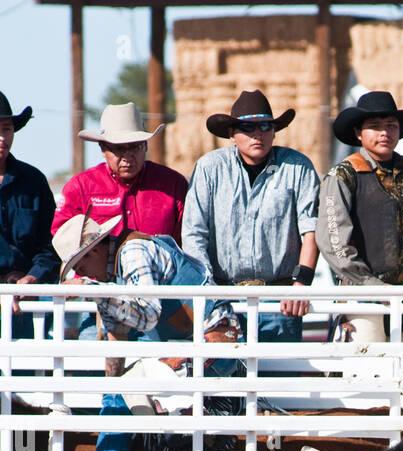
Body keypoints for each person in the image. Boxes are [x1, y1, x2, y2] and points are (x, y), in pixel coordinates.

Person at [51, 212, 239, 451]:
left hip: (213, 349)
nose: (86, 274)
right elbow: (118, 338)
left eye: (82, 266)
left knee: (123, 396)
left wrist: (97, 292)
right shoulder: (112, 277)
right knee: (117, 395)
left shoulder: (133, 253)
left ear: (95, 250)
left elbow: (148, 314)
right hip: (189, 350)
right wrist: (112, 391)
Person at [316, 90, 403, 342]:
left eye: (391, 126)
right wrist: (372, 286)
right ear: (359, 133)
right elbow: (333, 242)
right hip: (363, 297)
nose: (385, 133)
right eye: (375, 126)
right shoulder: (342, 176)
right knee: (366, 369)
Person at [182, 90, 319, 347]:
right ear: (232, 134)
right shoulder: (210, 168)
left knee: (279, 380)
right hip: (222, 296)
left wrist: (301, 283)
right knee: (222, 382)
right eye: (247, 127)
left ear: (274, 131)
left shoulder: (298, 167)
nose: (257, 134)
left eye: (265, 126)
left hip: (280, 298)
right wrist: (207, 292)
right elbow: (193, 234)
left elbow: (311, 230)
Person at [52, 102, 188, 343]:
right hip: (104, 299)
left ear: (145, 145)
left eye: (134, 147)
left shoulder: (173, 185)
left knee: (162, 368)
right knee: (90, 359)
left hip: (164, 302)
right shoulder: (81, 187)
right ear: (103, 149)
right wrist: (75, 275)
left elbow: (186, 243)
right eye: (118, 149)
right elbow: (61, 239)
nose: (127, 157)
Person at [0, 91, 60, 340]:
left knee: (27, 374)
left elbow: (51, 244)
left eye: (6, 129)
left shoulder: (34, 181)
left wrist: (31, 276)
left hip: (25, 303)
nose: (2, 138)